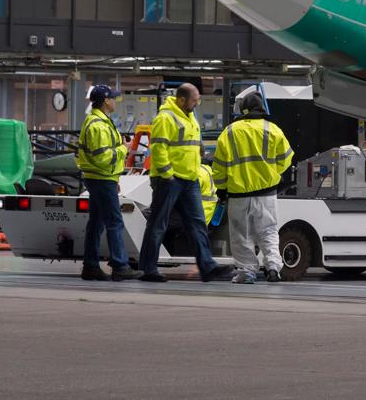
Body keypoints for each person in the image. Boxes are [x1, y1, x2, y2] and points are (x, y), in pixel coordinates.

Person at [137, 84, 233, 282]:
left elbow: (191, 144)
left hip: (190, 179)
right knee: (158, 224)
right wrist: (167, 174)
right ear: (181, 100)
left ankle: (207, 267)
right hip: (170, 180)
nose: (197, 102)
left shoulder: (190, 117)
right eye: (194, 99)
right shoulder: (165, 118)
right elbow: (159, 148)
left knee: (198, 224)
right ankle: (148, 269)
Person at [213, 92, 294, 284]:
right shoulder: (273, 130)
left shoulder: (230, 132)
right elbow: (286, 160)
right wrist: (271, 174)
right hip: (266, 194)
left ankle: (247, 272)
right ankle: (273, 267)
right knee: (268, 232)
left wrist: (222, 188)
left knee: (242, 235)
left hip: (238, 195)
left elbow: (219, 167)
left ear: (243, 110)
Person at [76, 85, 142, 281]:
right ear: (106, 100)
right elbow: (103, 157)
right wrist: (124, 148)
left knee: (96, 223)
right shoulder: (98, 125)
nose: (115, 101)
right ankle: (120, 266)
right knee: (114, 222)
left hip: (101, 178)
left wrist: (116, 178)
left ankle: (90, 266)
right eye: (113, 98)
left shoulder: (100, 122)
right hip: (101, 178)